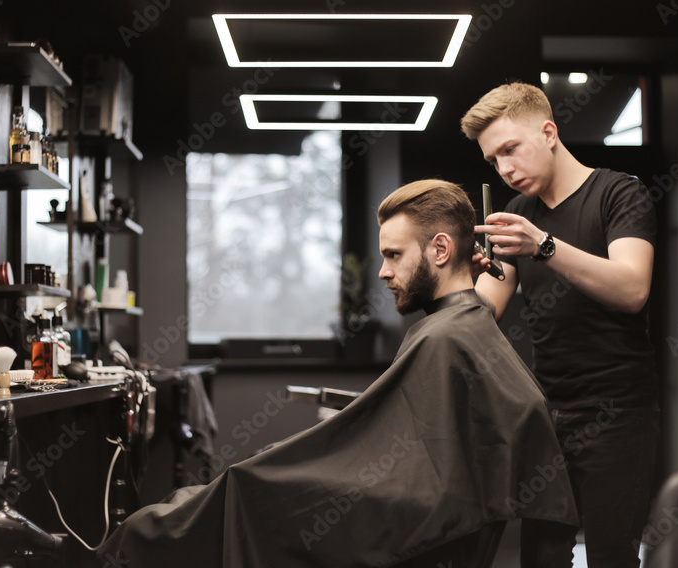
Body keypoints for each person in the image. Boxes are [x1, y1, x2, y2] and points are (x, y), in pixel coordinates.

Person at [96, 179, 577, 568]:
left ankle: (109, 553)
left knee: (235, 492)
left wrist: (287, 471)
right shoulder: (456, 327)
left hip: (414, 526)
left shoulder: (446, 335)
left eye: (394, 255)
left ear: (440, 249)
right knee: (241, 481)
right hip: (419, 514)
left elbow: (475, 444)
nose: (384, 272)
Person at [461, 81, 659, 568]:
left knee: (612, 557)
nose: (505, 169)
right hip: (547, 416)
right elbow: (484, 309)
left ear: (548, 132)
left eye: (511, 150)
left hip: (618, 415)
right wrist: (446, 276)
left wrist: (543, 247)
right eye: (493, 161)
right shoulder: (514, 216)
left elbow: (632, 289)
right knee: (542, 560)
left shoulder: (620, 193)